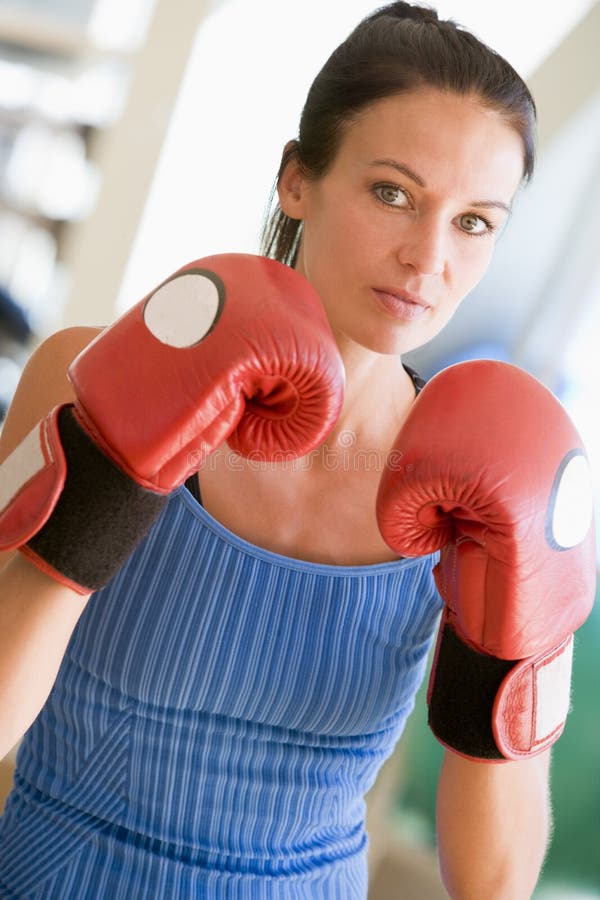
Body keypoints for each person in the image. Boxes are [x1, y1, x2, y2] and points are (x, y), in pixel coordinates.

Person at [0, 3, 595, 898]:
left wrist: (514, 655)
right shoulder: (82, 374)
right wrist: (108, 473)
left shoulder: (485, 484)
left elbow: (495, 884)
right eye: (393, 192)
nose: (427, 258)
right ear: (296, 182)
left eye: (474, 221)